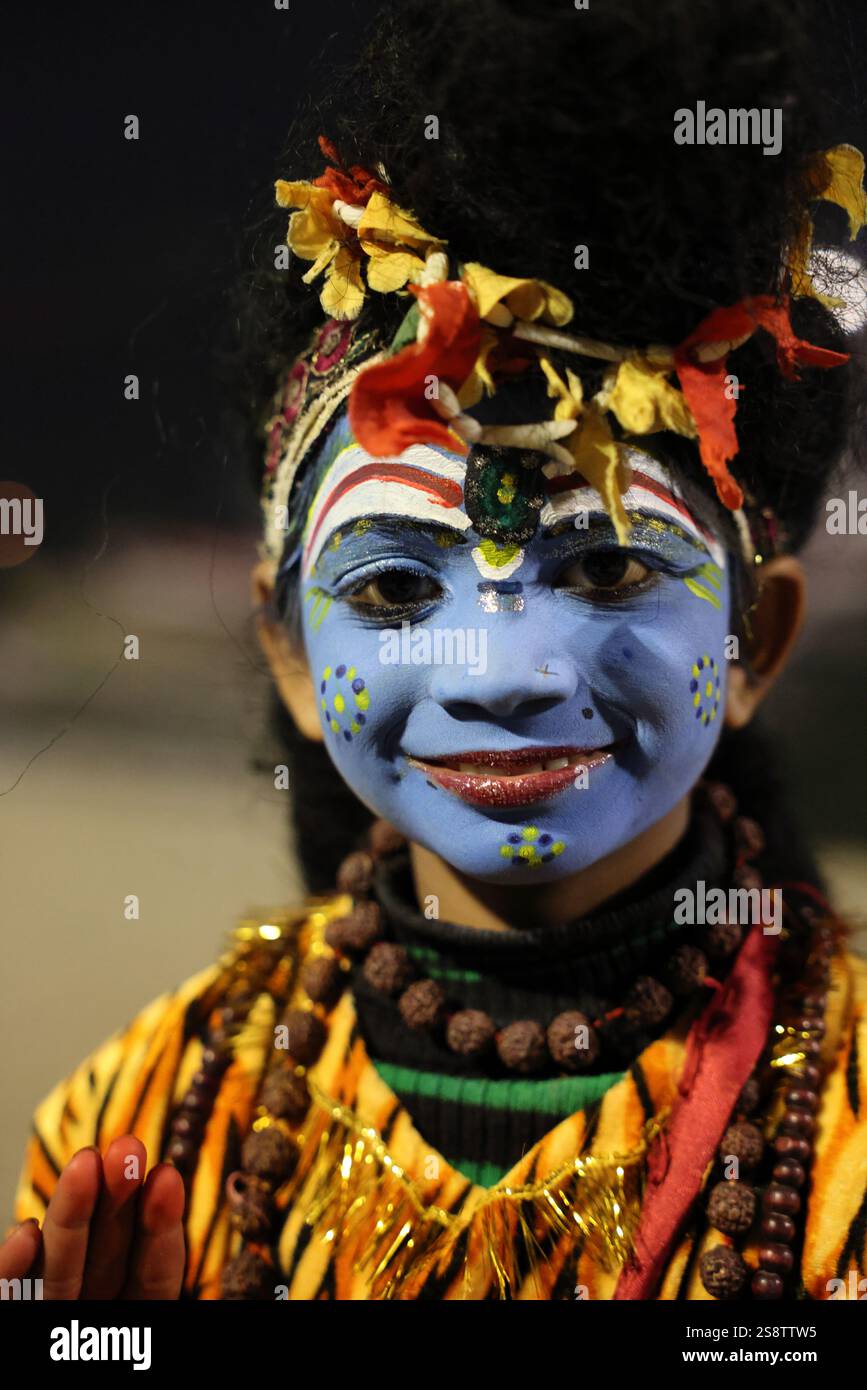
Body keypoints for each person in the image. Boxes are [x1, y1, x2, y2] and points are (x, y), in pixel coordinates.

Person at [6, 0, 867, 1302]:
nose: (500, 667)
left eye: (611, 568)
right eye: (399, 582)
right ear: (288, 649)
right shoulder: (149, 1127)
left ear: (757, 635)